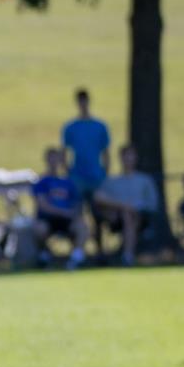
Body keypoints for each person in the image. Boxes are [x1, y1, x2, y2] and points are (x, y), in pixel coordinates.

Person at [60, 87, 110, 264]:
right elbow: (64, 152)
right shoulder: (71, 127)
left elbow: (105, 152)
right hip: (78, 179)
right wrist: (69, 173)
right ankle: (78, 251)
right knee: (77, 215)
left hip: (96, 177)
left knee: (99, 216)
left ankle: (100, 251)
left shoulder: (99, 126)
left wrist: (105, 173)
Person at [93, 144, 166, 266]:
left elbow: (152, 204)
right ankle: (123, 255)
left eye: (130, 156)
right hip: (114, 217)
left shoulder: (144, 180)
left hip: (139, 216)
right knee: (121, 210)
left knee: (128, 215)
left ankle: (128, 255)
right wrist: (122, 205)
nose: (128, 159)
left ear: (136, 158)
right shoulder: (112, 181)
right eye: (125, 156)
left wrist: (134, 207)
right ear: (120, 158)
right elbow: (98, 197)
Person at [15, 147, 83, 269]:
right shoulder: (41, 181)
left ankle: (76, 258)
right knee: (39, 228)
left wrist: (73, 213)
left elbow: (76, 204)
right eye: (51, 158)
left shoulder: (68, 182)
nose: (54, 162)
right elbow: (42, 205)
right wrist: (64, 212)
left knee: (82, 227)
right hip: (48, 219)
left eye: (56, 158)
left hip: (66, 220)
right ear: (46, 160)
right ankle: (44, 255)